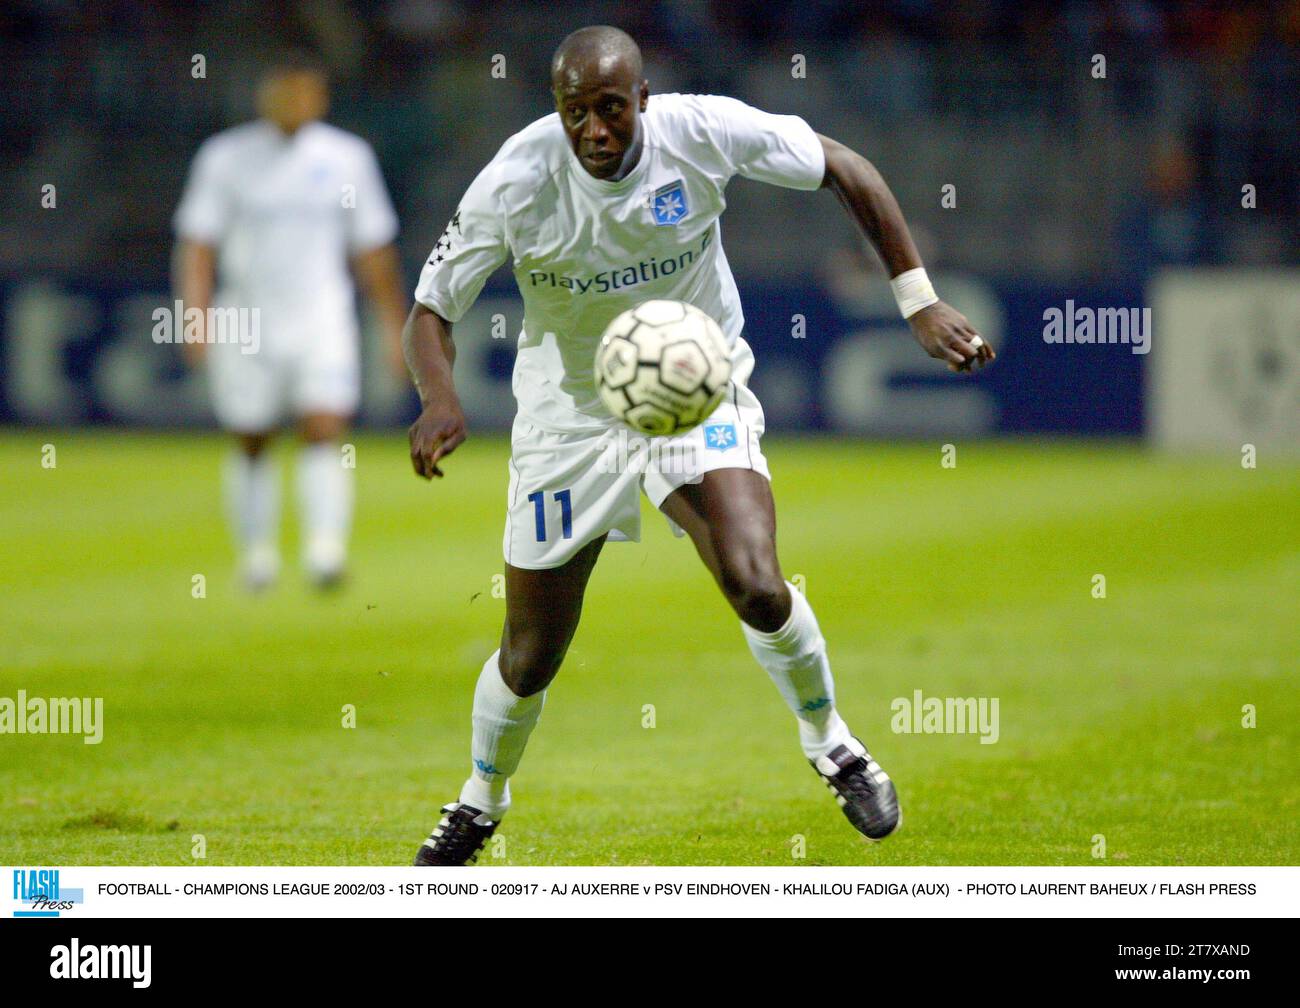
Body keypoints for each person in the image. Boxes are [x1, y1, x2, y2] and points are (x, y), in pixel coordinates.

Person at [404, 26, 994, 865]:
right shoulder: (516, 179)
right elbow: (430, 311)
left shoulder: (702, 131)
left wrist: (917, 300)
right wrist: (438, 399)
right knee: (530, 654)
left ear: (642, 99)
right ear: (557, 110)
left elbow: (843, 167)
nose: (595, 131)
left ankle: (834, 745)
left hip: (692, 391)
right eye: (577, 113)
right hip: (570, 420)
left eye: (612, 109)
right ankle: (481, 801)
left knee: (756, 582)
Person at [174, 53, 407, 590]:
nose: (294, 102)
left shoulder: (347, 158)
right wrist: (195, 313)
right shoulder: (226, 158)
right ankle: (256, 556)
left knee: (323, 427)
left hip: (322, 317)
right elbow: (198, 242)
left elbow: (373, 249)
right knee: (252, 436)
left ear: (319, 98)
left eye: (304, 92)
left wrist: (394, 326)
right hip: (245, 319)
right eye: (284, 91)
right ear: (265, 94)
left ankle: (325, 552)